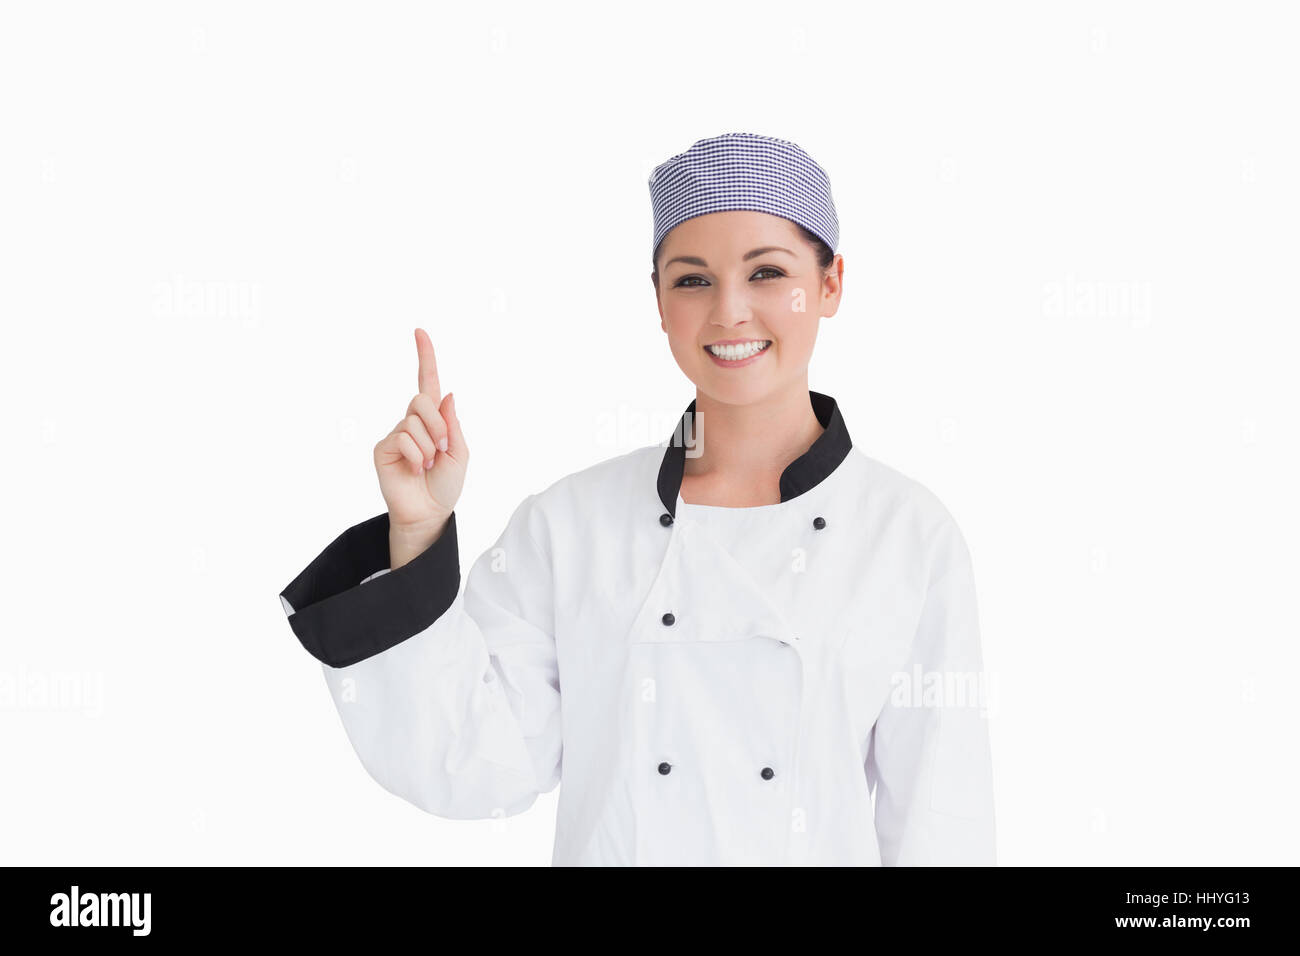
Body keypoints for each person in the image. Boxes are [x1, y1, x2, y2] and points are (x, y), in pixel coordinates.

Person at [278, 131, 996, 866]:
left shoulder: (908, 536)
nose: (729, 312)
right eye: (692, 280)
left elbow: (943, 823)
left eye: (767, 271)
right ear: (657, 301)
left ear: (831, 283)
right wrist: (419, 532)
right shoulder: (571, 525)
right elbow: (469, 763)